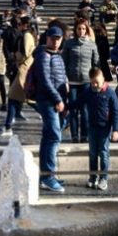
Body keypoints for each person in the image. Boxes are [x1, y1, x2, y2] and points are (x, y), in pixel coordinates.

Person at [32, 24, 69, 193]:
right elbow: (45, 80)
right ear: (47, 38)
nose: (55, 41)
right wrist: (58, 99)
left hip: (56, 100)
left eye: (58, 38)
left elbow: (61, 77)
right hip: (48, 100)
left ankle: (46, 174)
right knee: (54, 135)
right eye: (52, 38)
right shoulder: (43, 56)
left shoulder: (57, 55)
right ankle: (48, 177)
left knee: (48, 136)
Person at [0, 16, 36, 138]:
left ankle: (8, 126)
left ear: (24, 25)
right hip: (24, 69)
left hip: (24, 69)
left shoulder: (26, 36)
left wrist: (15, 55)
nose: (17, 26)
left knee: (17, 98)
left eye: (19, 24)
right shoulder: (28, 35)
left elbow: (25, 53)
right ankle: (8, 125)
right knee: (17, 98)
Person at [63, 18, 99, 144]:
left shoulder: (91, 44)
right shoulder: (68, 44)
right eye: (79, 28)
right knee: (73, 110)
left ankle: (84, 135)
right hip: (72, 81)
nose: (81, 31)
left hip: (86, 81)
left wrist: (95, 79)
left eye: (84, 28)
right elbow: (64, 62)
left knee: (85, 110)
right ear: (75, 29)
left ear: (87, 30)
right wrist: (65, 79)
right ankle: (74, 135)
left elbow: (96, 63)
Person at [83, 67, 118, 190]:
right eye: (92, 82)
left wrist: (115, 130)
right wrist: (66, 107)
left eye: (97, 82)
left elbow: (115, 112)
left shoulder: (110, 92)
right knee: (93, 153)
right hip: (92, 127)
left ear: (103, 79)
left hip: (105, 128)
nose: (94, 85)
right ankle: (93, 177)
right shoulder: (88, 91)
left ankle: (103, 178)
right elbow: (79, 102)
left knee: (104, 153)